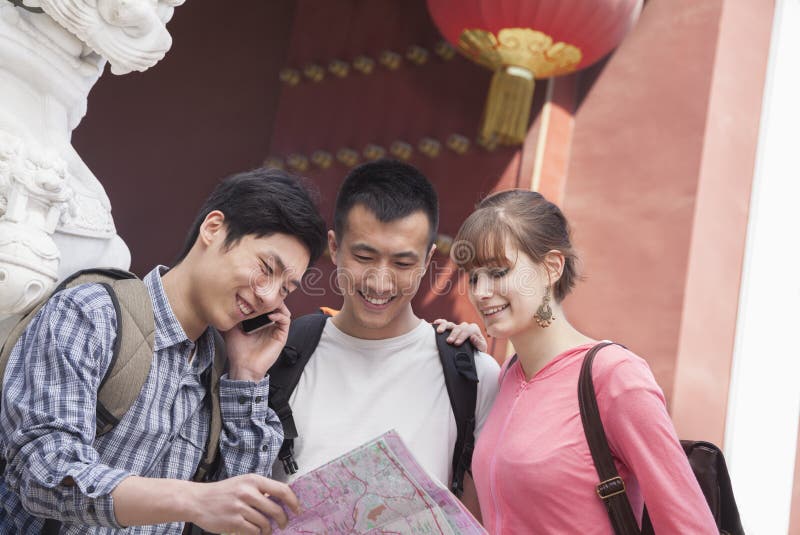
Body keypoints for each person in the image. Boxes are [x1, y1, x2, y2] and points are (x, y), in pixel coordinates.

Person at [0, 168, 327, 534]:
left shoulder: (222, 373)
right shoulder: (93, 314)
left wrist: (247, 376)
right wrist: (193, 499)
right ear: (213, 228)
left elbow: (241, 517)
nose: (269, 296)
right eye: (266, 269)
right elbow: (44, 472)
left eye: (285, 289)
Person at [452, 189, 718, 534]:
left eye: (498, 271)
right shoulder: (508, 376)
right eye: (473, 277)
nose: (481, 291)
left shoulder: (614, 376)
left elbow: (691, 526)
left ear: (551, 267)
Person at [271, 160, 500, 517]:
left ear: (428, 260)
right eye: (364, 257)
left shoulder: (474, 376)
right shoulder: (280, 353)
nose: (380, 282)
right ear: (334, 247)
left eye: (402, 264)